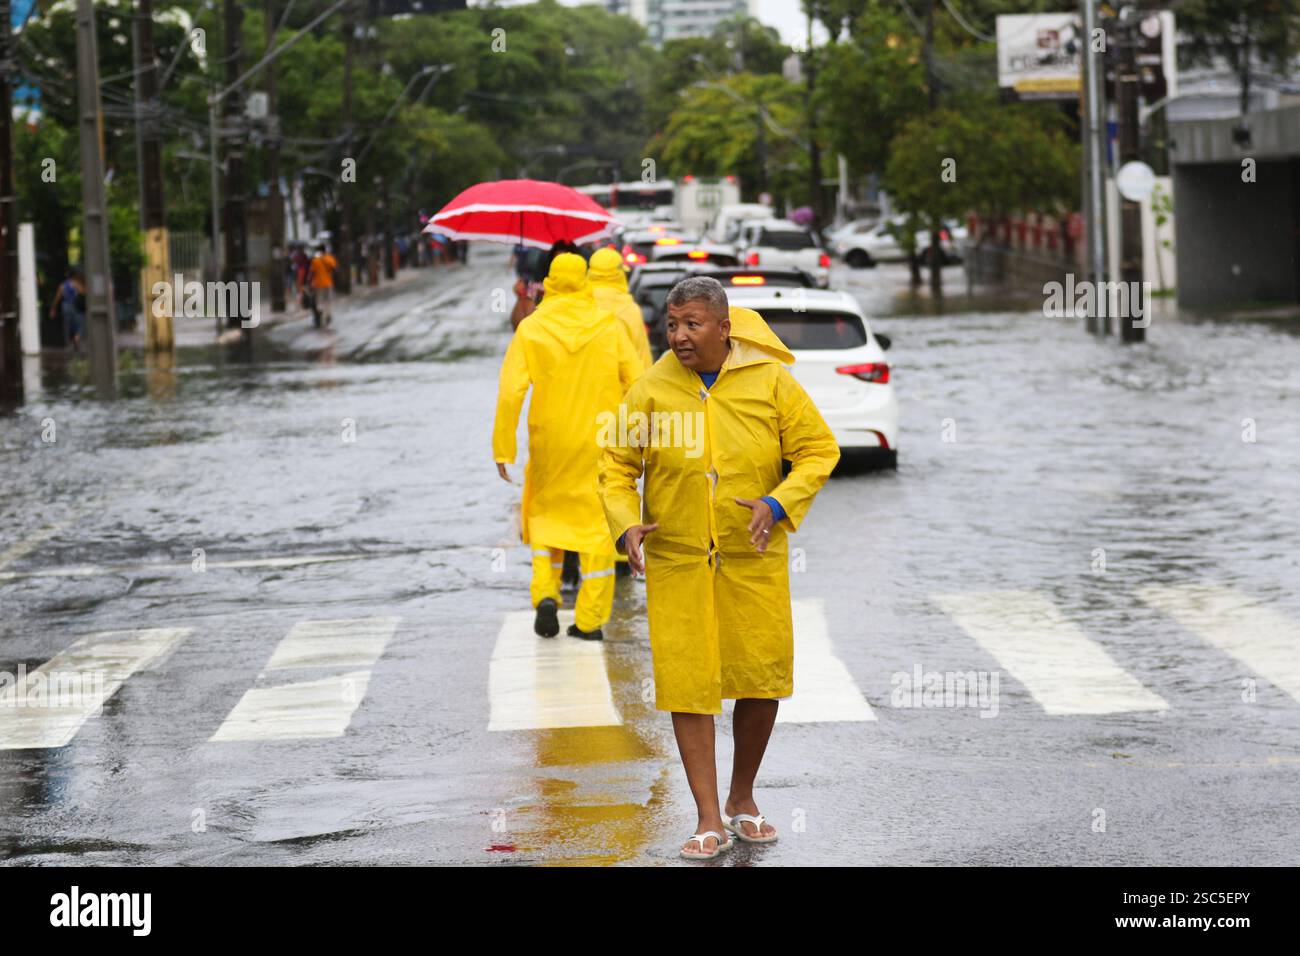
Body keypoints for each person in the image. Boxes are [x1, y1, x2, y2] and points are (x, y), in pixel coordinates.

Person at [598, 275, 839, 860]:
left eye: (692, 325)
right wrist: (626, 523)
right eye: (672, 325)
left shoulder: (770, 382)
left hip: (751, 558)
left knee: (760, 680)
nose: (679, 336)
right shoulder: (651, 390)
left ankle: (742, 797)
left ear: (724, 328)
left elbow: (818, 449)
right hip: (678, 560)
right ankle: (707, 815)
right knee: (689, 685)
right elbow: (615, 466)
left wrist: (777, 502)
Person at [493, 252, 642, 641]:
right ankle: (589, 621)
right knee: (596, 525)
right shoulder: (608, 326)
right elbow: (638, 381)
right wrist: (639, 434)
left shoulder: (532, 328)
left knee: (546, 517)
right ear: (585, 282)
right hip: (602, 439)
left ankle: (546, 594)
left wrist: (503, 448)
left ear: (552, 283)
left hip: (549, 442)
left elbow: (511, 391)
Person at [588, 246, 653, 372]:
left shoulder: (581, 305)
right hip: (623, 387)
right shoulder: (630, 310)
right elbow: (642, 356)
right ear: (620, 274)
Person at [49, 268, 86, 351]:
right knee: (79, 323)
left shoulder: (62, 286)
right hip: (74, 306)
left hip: (65, 306)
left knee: (67, 325)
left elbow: (57, 298)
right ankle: (77, 338)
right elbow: (83, 292)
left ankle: (67, 344)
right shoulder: (76, 284)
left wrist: (53, 309)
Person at [307, 245, 337, 328]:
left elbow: (311, 273)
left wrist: (308, 283)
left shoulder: (315, 260)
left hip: (318, 284)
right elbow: (335, 269)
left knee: (319, 301)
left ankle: (321, 314)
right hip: (328, 283)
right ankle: (328, 314)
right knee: (327, 300)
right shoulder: (330, 258)